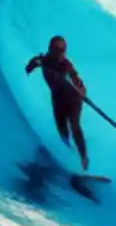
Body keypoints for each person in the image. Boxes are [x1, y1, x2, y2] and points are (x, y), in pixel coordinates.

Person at [25, 35, 89, 171]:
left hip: (73, 99)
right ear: (51, 49)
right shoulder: (44, 60)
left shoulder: (66, 65)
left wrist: (82, 90)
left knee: (75, 126)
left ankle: (83, 158)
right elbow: (34, 62)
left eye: (63, 50)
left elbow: (76, 78)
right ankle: (68, 153)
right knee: (62, 128)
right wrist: (30, 67)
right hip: (58, 99)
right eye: (58, 50)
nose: (61, 53)